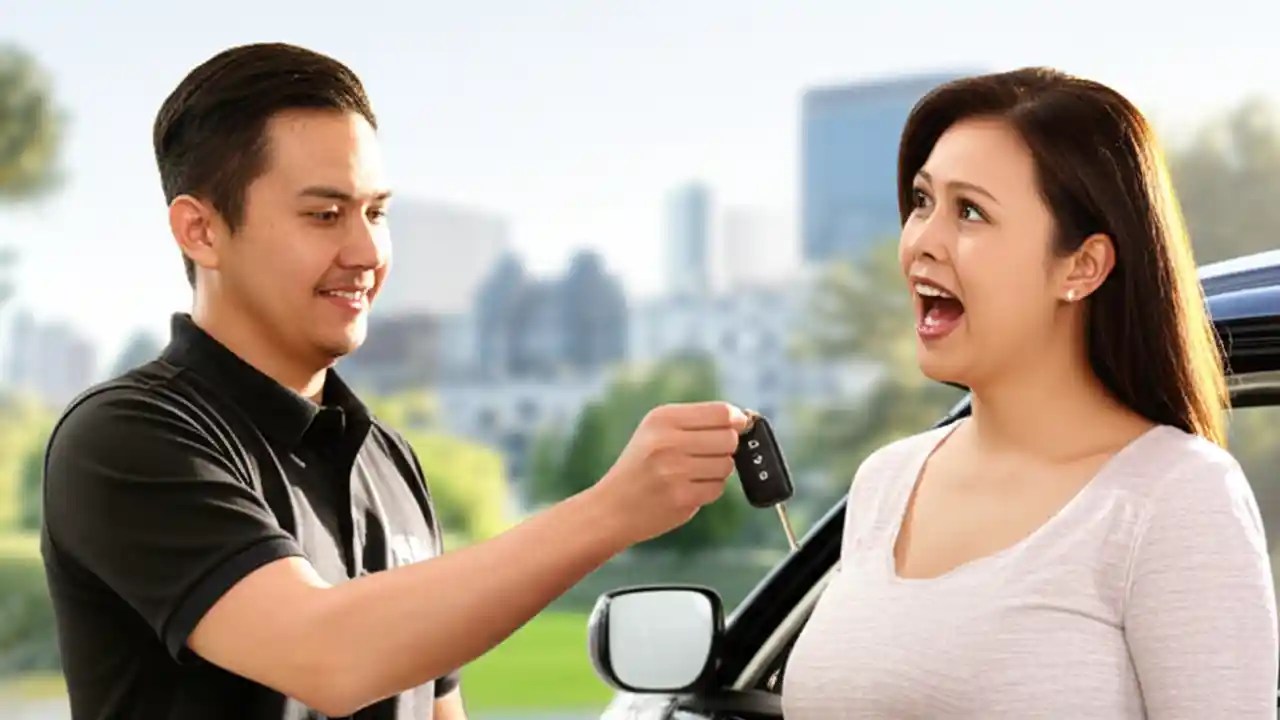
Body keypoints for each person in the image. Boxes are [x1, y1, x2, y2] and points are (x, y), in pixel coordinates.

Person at [40, 42, 749, 720]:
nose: (366, 251)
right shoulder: (127, 438)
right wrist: (613, 510)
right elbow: (327, 656)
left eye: (376, 212)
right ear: (200, 231)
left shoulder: (391, 462)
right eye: (324, 215)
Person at [781, 67, 1278, 718]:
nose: (920, 243)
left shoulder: (1175, 497)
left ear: (1082, 266)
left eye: (970, 212)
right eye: (923, 201)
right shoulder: (886, 483)